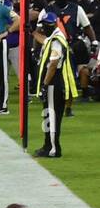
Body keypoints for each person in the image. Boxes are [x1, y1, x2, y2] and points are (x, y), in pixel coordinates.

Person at [33, 13, 78, 158]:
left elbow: (53, 64)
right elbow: (45, 41)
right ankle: (48, 145)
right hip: (54, 82)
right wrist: (31, 32)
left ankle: (52, 148)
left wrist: (45, 85)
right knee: (48, 115)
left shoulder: (57, 41)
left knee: (52, 116)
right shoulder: (55, 36)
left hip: (54, 82)